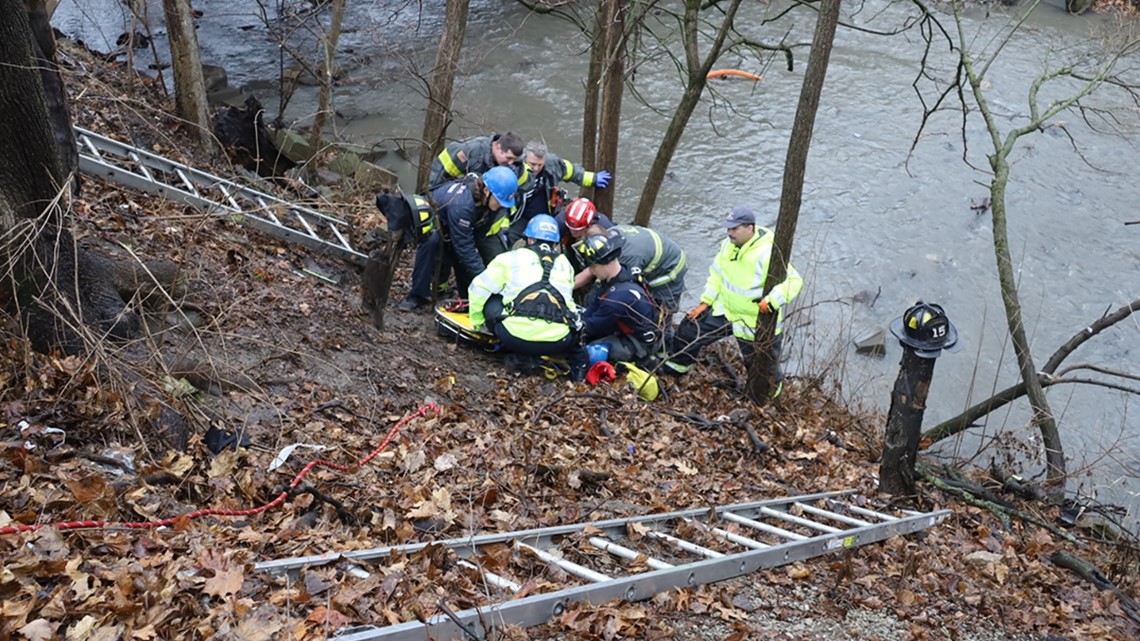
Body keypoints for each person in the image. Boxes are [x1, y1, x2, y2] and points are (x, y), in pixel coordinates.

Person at [662, 207, 803, 397]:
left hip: (752, 320)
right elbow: (717, 275)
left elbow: (794, 281)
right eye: (728, 228)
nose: (729, 233)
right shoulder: (727, 245)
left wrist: (772, 301)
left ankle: (766, 398)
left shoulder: (767, 252)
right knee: (689, 330)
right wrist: (706, 302)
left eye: (734, 229)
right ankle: (675, 370)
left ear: (749, 228)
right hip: (725, 311)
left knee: (762, 366)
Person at [398, 166, 519, 311]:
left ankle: (467, 298)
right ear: (487, 191)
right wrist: (485, 278)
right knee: (432, 243)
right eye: (499, 202)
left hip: (458, 226)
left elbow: (480, 233)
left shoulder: (492, 202)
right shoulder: (463, 204)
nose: (501, 206)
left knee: (467, 262)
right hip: (433, 222)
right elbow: (464, 248)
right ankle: (417, 296)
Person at [468, 214, 578, 356]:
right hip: (557, 342)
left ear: (529, 239)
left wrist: (477, 321)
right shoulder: (566, 265)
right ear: (555, 244)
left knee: (492, 298)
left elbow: (478, 288)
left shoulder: (510, 258)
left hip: (513, 337)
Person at [573, 233, 660, 367]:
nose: (591, 271)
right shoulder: (622, 273)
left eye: (593, 267)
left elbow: (591, 327)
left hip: (640, 343)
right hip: (624, 327)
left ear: (605, 263)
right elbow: (593, 308)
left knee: (591, 352)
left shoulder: (618, 298)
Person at [576, 224, 688, 324]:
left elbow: (622, 285)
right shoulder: (608, 236)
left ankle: (664, 339)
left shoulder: (628, 257)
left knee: (661, 313)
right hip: (653, 255)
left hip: (670, 269)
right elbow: (593, 269)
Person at [507, 141, 612, 244]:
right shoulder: (515, 170)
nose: (536, 168)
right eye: (532, 164)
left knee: (542, 245)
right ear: (524, 159)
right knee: (506, 240)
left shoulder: (552, 164)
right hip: (519, 217)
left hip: (546, 215)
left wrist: (593, 178)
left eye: (540, 165)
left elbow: (571, 172)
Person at [428, 132, 529, 191]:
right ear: (498, 147)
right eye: (508, 158)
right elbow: (438, 178)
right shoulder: (469, 152)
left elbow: (523, 179)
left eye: (514, 160)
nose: (511, 163)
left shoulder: (514, 161)